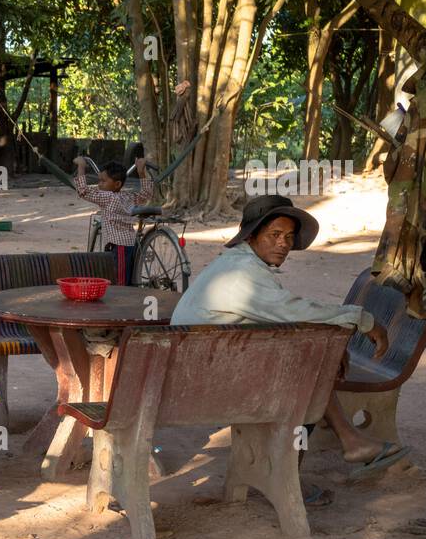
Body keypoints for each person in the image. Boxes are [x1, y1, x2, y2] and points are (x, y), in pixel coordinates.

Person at [171, 194, 407, 503]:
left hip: (206, 373)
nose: (284, 243)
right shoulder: (241, 274)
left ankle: (347, 444)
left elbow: (281, 321)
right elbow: (295, 311)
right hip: (204, 388)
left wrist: (330, 348)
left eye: (289, 237)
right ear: (251, 235)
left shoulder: (239, 265)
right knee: (304, 383)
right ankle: (293, 478)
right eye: (275, 235)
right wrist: (362, 319)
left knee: (309, 365)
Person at [72, 153, 154, 285]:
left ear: (117, 184)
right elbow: (146, 195)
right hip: (127, 243)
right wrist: (141, 172)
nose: (99, 185)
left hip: (118, 245)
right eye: (99, 181)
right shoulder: (128, 196)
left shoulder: (107, 197)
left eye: (103, 181)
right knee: (125, 275)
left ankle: (121, 301)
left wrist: (81, 166)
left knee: (119, 281)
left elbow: (83, 191)